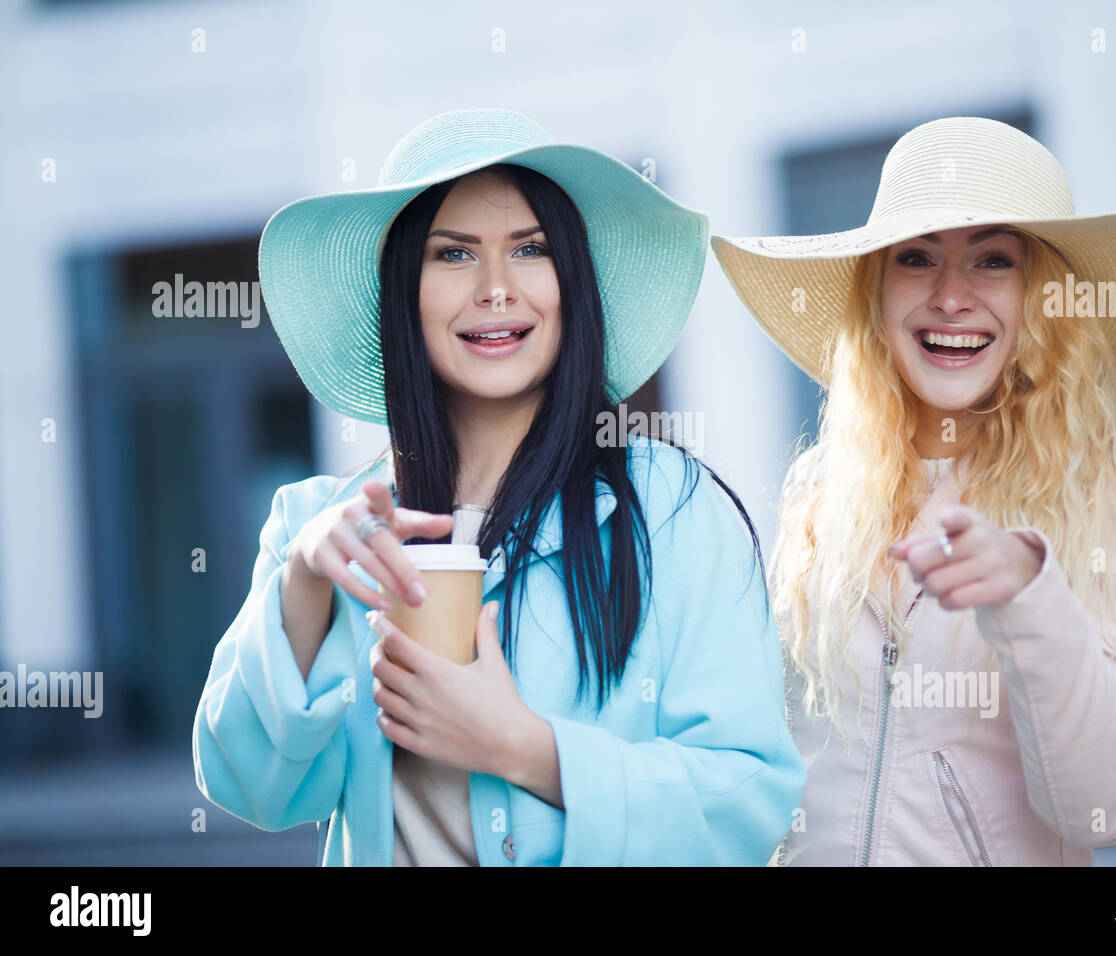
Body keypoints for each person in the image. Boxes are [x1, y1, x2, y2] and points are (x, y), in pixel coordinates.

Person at [193, 108, 805, 866]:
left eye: (530, 249)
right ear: (402, 293)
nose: (495, 289)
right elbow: (253, 789)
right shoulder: (322, 527)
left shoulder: (671, 508)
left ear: (570, 282)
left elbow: (749, 804)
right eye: (453, 255)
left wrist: (526, 751)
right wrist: (305, 583)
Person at [711, 116, 1116, 865]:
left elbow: (1103, 807)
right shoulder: (823, 484)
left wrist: (1027, 597)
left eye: (992, 260)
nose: (950, 297)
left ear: (1044, 297)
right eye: (915, 258)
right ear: (877, 291)